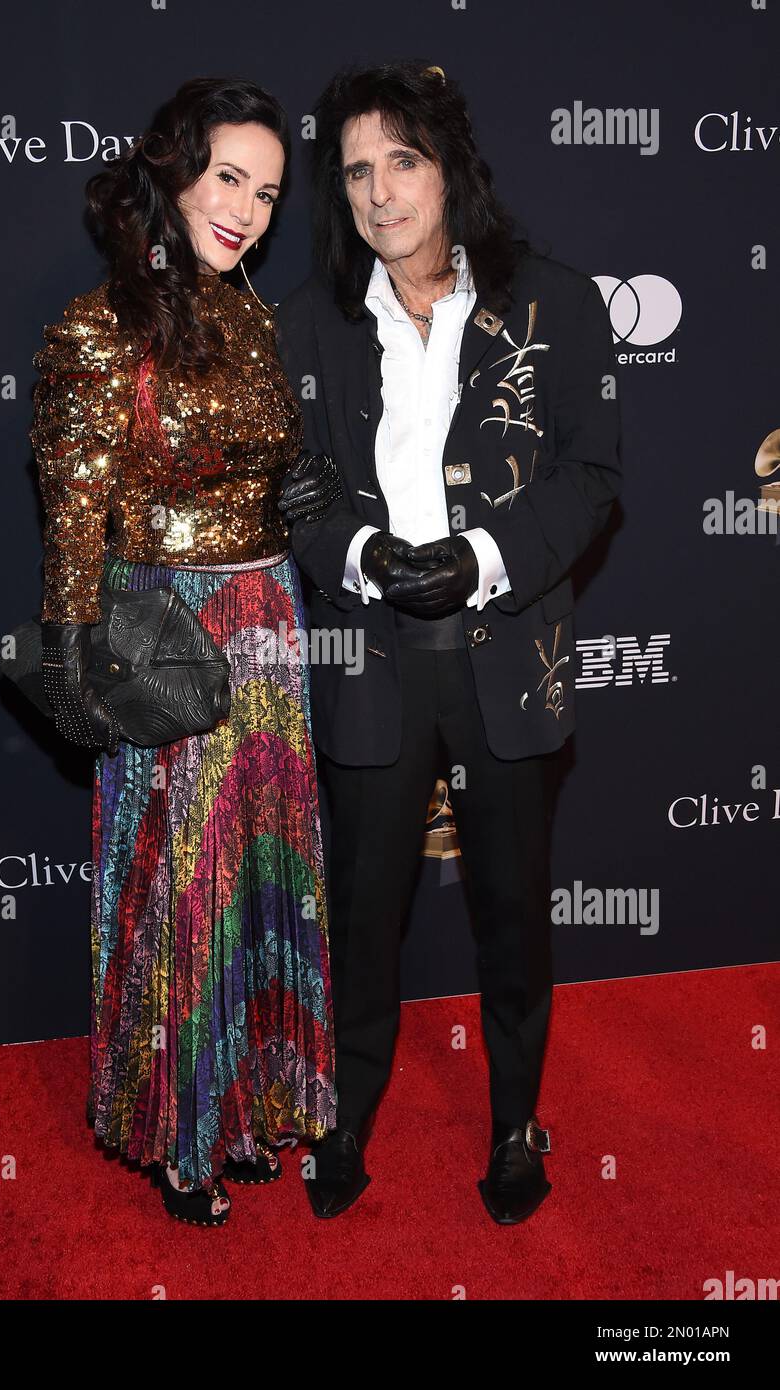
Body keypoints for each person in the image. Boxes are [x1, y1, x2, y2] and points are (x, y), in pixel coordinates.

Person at [274, 60, 622, 1222]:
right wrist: (364, 556)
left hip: (505, 659)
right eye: (355, 172)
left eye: (402, 162)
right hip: (371, 663)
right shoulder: (307, 324)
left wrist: (478, 556)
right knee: (361, 914)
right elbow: (297, 492)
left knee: (513, 916)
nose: (379, 193)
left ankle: (516, 1125)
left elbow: (590, 476)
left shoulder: (555, 303)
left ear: (450, 169)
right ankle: (344, 1114)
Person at [29, 77, 336, 1227]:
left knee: (261, 867)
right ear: (170, 175)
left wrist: (298, 490)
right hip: (168, 634)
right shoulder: (96, 326)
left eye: (267, 193)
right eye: (227, 179)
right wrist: (71, 657)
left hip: (269, 623)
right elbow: (73, 514)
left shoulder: (254, 316)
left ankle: (253, 1098)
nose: (246, 211)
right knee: (186, 883)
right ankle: (182, 1130)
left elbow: (268, 467)